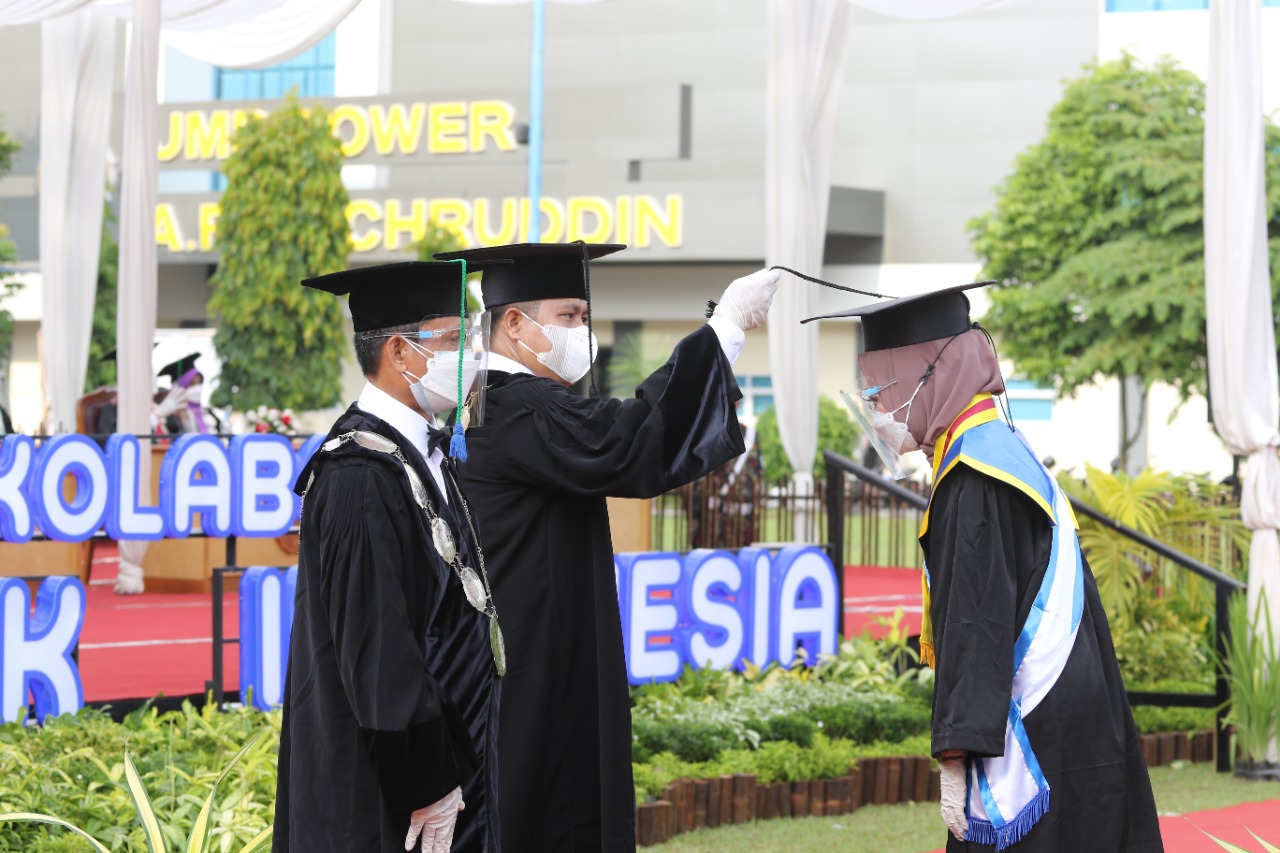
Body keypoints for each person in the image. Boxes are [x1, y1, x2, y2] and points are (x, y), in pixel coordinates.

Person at [434, 241, 779, 852]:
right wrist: (724, 328)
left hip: (515, 654)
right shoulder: (521, 407)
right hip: (538, 670)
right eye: (568, 316)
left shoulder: (478, 403)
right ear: (514, 323)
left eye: (584, 317)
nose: (581, 331)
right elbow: (629, 440)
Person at [806, 283, 1163, 852]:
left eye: (883, 389)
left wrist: (956, 753)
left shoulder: (973, 477)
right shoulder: (1001, 445)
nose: (877, 410)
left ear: (931, 376)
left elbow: (976, 621)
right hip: (1076, 714)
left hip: (1032, 737)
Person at [273, 260, 509, 853]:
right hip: (380, 784)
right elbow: (378, 646)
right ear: (400, 352)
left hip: (441, 753)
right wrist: (428, 783)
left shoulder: (419, 451)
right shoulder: (358, 474)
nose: (470, 356)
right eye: (453, 340)